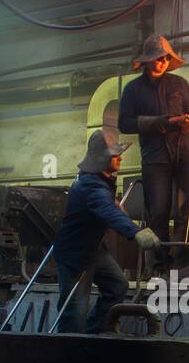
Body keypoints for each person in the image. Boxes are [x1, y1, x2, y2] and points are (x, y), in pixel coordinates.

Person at [53, 130, 160, 334]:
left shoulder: (99, 180)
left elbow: (108, 205)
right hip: (75, 255)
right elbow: (107, 210)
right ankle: (68, 352)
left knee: (117, 286)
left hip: (94, 250)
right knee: (75, 310)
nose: (120, 158)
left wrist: (114, 202)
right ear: (102, 159)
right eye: (114, 155)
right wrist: (135, 232)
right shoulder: (91, 186)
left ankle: (94, 333)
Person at [116, 34, 189, 268]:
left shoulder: (179, 84)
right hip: (155, 156)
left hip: (185, 152)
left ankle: (186, 260)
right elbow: (124, 123)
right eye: (158, 58)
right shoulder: (133, 90)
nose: (163, 61)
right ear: (146, 61)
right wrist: (158, 122)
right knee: (159, 211)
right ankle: (162, 263)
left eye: (166, 57)